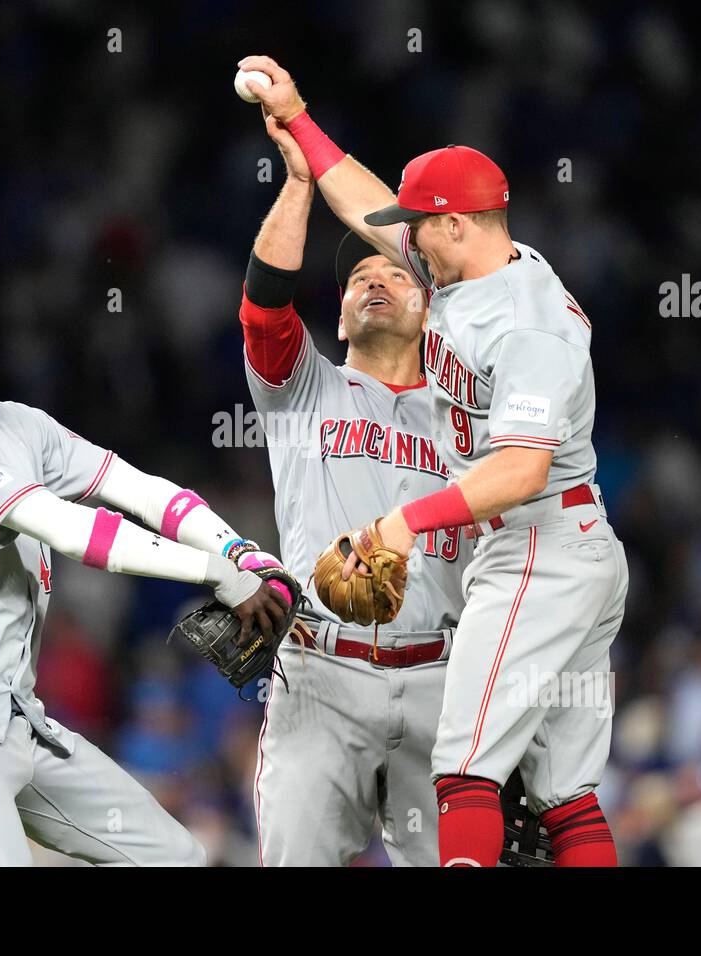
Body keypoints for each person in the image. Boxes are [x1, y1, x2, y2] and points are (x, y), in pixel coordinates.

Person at [241, 54, 629, 867]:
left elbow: (520, 472)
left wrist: (399, 524)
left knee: (465, 772)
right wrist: (299, 116)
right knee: (566, 796)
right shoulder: (456, 273)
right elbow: (362, 196)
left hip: (538, 541)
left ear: (456, 225)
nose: (402, 241)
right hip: (532, 554)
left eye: (415, 229)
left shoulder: (527, 326)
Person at [0, 277, 289, 866]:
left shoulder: (15, 426)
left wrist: (240, 554)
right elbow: (69, 529)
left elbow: (139, 490)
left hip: (16, 720)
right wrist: (218, 575)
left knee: (178, 859)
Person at [241, 111, 463, 866]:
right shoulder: (307, 390)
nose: (373, 277)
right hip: (321, 672)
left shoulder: (470, 419)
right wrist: (301, 184)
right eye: (359, 277)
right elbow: (264, 305)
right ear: (337, 319)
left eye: (397, 272)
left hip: (443, 679)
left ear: (432, 315)